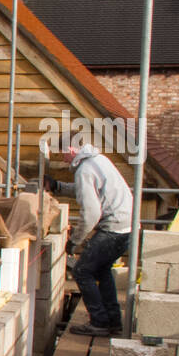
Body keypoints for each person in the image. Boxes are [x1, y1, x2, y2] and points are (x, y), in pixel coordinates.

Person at [51, 143, 133, 336]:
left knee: (82, 271)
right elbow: (86, 190)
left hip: (114, 228)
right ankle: (112, 321)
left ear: (71, 149)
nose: (62, 159)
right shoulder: (99, 160)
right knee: (101, 270)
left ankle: (99, 322)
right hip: (126, 226)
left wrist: (74, 240)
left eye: (62, 153)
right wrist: (57, 186)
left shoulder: (85, 170)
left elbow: (91, 214)